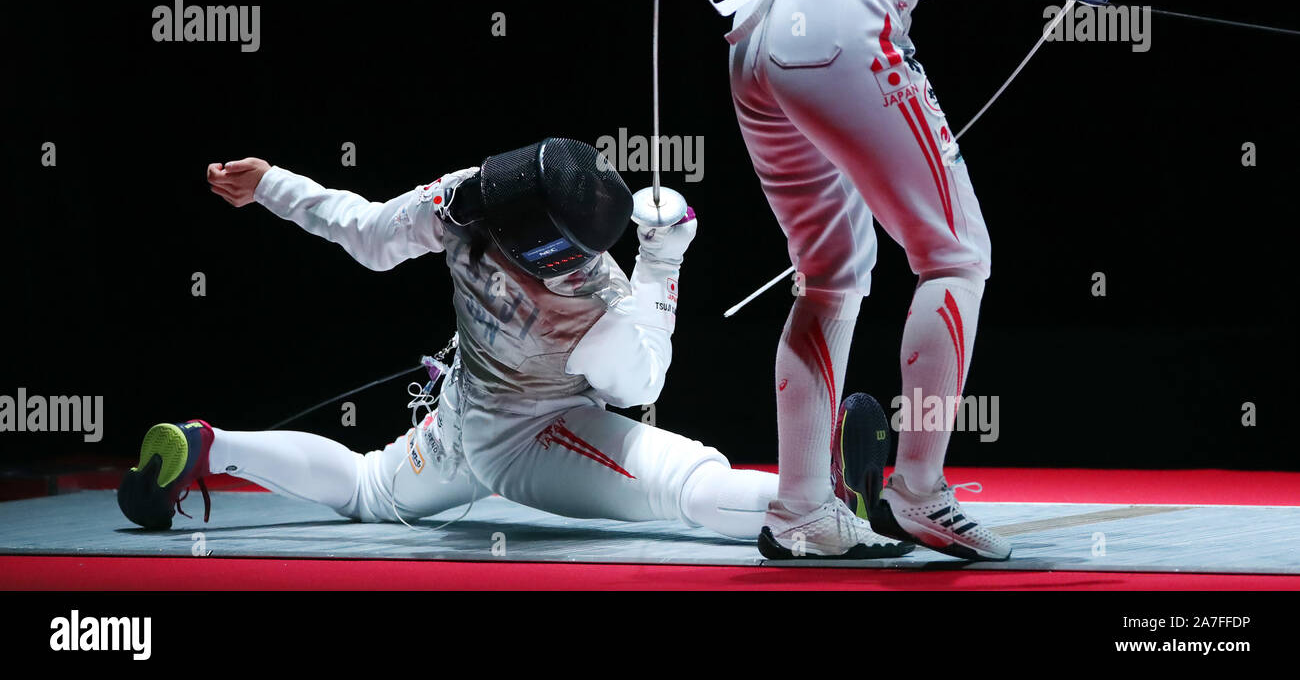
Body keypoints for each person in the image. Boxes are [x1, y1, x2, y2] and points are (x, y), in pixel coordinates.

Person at [717, 0, 1197, 560]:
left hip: (758, 34)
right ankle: (918, 492)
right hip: (836, 18)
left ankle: (802, 513)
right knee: (955, 255)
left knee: (831, 276)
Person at [117, 137, 911, 557]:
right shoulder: (592, 303)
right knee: (683, 487)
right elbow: (642, 380)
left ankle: (208, 447)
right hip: (536, 438)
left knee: (366, 488)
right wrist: (662, 261)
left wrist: (273, 185)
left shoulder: (464, 199)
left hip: (460, 421)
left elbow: (361, 232)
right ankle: (821, 502)